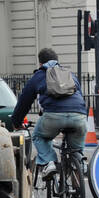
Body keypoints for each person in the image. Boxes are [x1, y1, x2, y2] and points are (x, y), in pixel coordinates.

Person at [11, 47, 87, 180]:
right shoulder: (69, 74)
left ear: (40, 63)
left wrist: (16, 122)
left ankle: (49, 162)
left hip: (53, 115)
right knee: (76, 151)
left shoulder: (39, 75)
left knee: (39, 137)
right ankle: (79, 170)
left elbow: (24, 101)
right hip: (79, 115)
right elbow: (79, 95)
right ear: (57, 61)